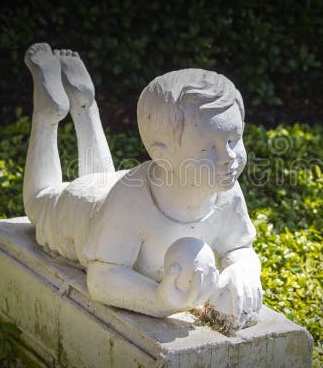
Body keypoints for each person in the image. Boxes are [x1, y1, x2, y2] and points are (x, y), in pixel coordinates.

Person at [22, 43, 262, 328]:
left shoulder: (225, 189)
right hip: (77, 211)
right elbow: (102, 277)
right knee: (39, 202)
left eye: (234, 140)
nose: (229, 158)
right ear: (162, 153)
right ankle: (47, 116)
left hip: (108, 194)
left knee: (103, 180)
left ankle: (86, 105)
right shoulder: (130, 204)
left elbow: (240, 247)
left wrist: (243, 271)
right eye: (207, 149)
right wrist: (158, 300)